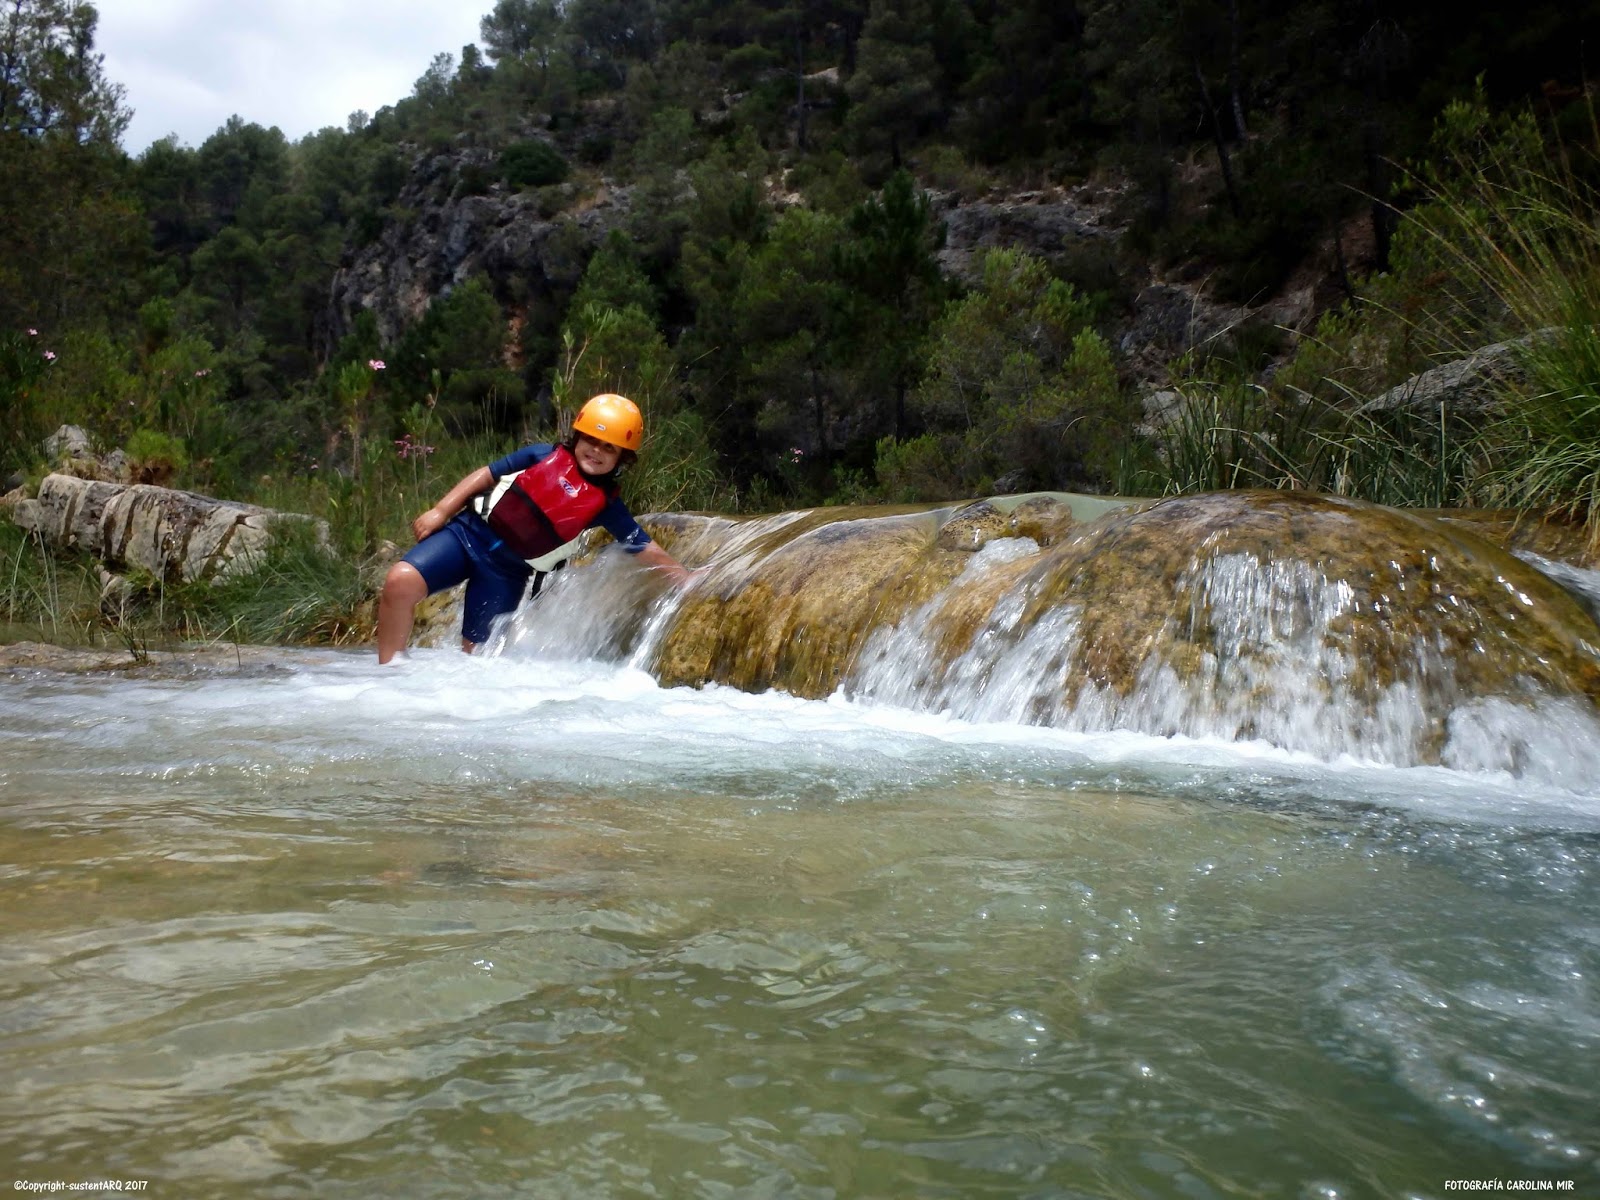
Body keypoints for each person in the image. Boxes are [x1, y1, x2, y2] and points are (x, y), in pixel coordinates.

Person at [376, 393, 694, 664]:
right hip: (465, 536)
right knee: (399, 583)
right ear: (577, 436)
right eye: (591, 441)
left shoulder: (607, 506)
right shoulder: (540, 455)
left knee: (476, 660)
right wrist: (441, 510)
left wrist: (685, 578)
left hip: (506, 574)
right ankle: (392, 674)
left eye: (608, 448)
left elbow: (641, 546)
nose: (596, 451)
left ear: (623, 458)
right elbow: (486, 474)